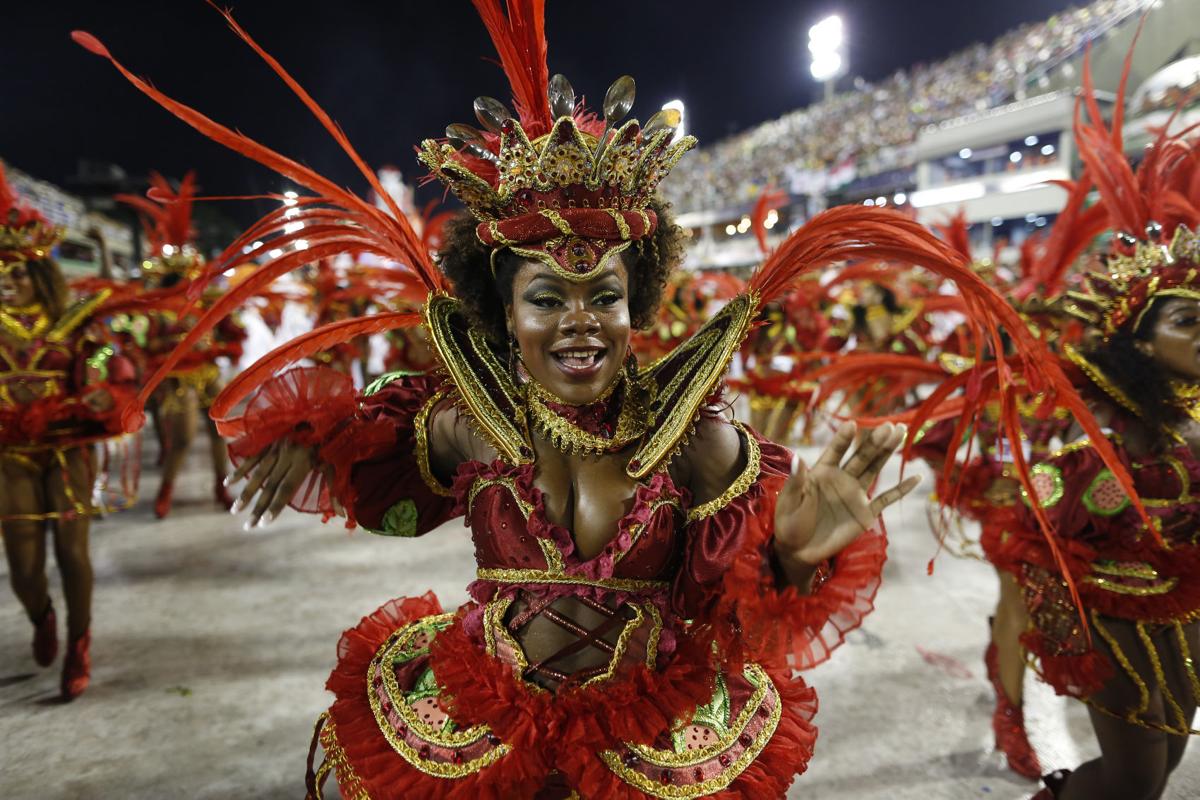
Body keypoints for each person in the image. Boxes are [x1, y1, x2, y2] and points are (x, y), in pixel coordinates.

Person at [75, 2, 1117, 795]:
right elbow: (394, 504)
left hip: (649, 730)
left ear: (637, 295)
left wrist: (799, 548)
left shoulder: (699, 435)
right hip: (480, 716)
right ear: (501, 303)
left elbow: (737, 604)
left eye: (603, 293)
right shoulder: (462, 416)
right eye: (546, 295)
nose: (579, 319)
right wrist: (322, 438)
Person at [1002, 49, 1200, 799]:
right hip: (1115, 626)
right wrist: (1070, 641)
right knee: (1134, 784)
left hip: (1187, 623)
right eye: (1186, 320)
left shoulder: (1193, 426)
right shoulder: (1105, 442)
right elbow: (1039, 538)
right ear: (1141, 342)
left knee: (1165, 773)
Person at [0, 164, 137, 699]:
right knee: (24, 566)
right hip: (11, 454)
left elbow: (108, 359)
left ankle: (79, 643)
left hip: (67, 450)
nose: (6, 284)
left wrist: (97, 389)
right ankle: (42, 616)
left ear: (39, 275)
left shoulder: (77, 321)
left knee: (72, 553)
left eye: (15, 273)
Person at [117, 172, 245, 517]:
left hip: (206, 371)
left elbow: (230, 330)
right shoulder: (157, 308)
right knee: (184, 439)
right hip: (178, 377)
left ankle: (221, 487)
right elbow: (142, 340)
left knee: (221, 430)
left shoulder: (204, 303)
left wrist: (229, 338)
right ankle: (166, 492)